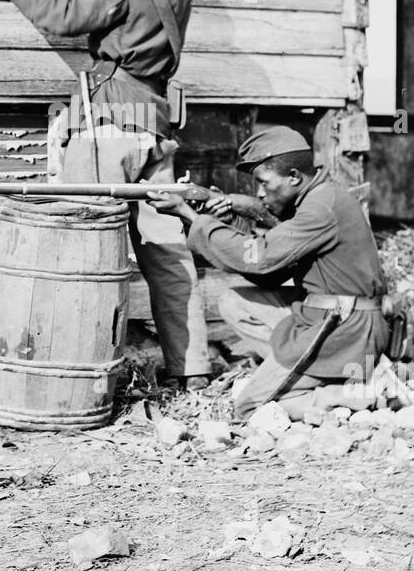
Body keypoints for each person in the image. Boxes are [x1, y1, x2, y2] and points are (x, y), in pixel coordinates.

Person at [0, 0, 212, 388]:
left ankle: (79, 376)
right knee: (167, 253)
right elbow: (136, 16)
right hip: (153, 127)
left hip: (107, 128)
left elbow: (61, 17)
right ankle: (192, 371)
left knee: (84, 251)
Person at [151, 125, 389, 418]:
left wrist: (190, 215)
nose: (260, 193)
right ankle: (311, 373)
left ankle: (342, 392)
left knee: (247, 406)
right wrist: (231, 219)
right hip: (330, 317)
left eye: (264, 183)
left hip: (345, 329)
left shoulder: (320, 208)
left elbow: (258, 258)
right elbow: (271, 273)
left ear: (293, 177)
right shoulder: (319, 198)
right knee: (234, 302)